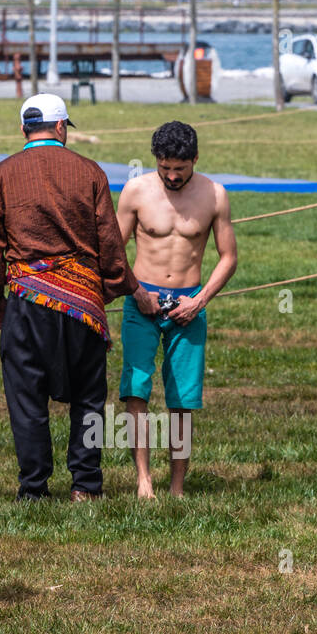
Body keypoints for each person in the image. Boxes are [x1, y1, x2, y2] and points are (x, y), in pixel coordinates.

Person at [0, 93, 138, 501]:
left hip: (26, 300)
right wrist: (114, 284)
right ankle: (86, 484)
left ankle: (34, 487)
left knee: (26, 398)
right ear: (61, 127)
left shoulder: (0, 175)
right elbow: (109, 242)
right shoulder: (90, 171)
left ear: (24, 129)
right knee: (88, 396)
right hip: (82, 302)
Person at [115, 121, 237, 498]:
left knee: (182, 400)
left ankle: (178, 486)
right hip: (141, 301)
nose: (171, 176)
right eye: (165, 167)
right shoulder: (135, 191)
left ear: (195, 160)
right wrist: (135, 292)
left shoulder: (214, 195)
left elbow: (229, 257)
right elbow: (115, 252)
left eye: (179, 170)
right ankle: (143, 480)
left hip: (189, 301)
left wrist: (200, 300)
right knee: (136, 391)